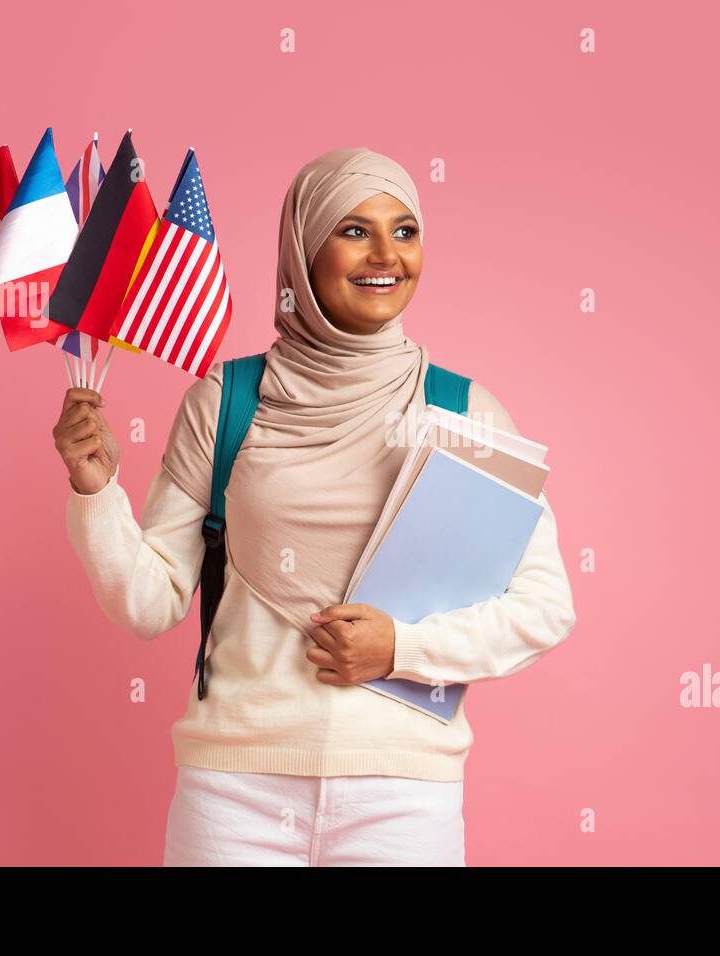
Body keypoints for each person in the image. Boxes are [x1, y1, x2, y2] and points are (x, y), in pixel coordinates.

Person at [53, 147, 577, 866]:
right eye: (354, 230)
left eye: (406, 230)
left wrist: (402, 649)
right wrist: (95, 489)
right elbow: (149, 603)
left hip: (402, 798)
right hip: (232, 793)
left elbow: (544, 608)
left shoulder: (462, 412)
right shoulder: (226, 400)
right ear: (303, 248)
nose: (386, 254)